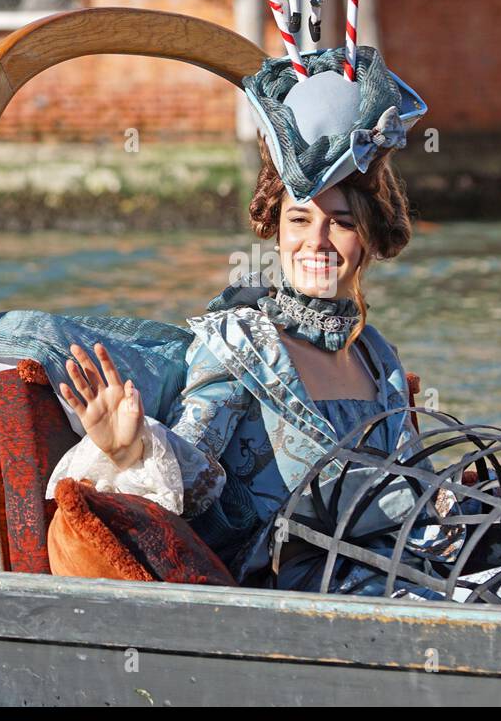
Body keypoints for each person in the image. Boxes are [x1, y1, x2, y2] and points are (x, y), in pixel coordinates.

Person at [46, 45, 430, 584]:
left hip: (408, 565)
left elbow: (420, 491)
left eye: (341, 223)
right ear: (277, 229)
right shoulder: (241, 342)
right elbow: (197, 472)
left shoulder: (376, 353)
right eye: (300, 220)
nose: (316, 241)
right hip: (306, 588)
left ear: (368, 236)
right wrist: (132, 450)